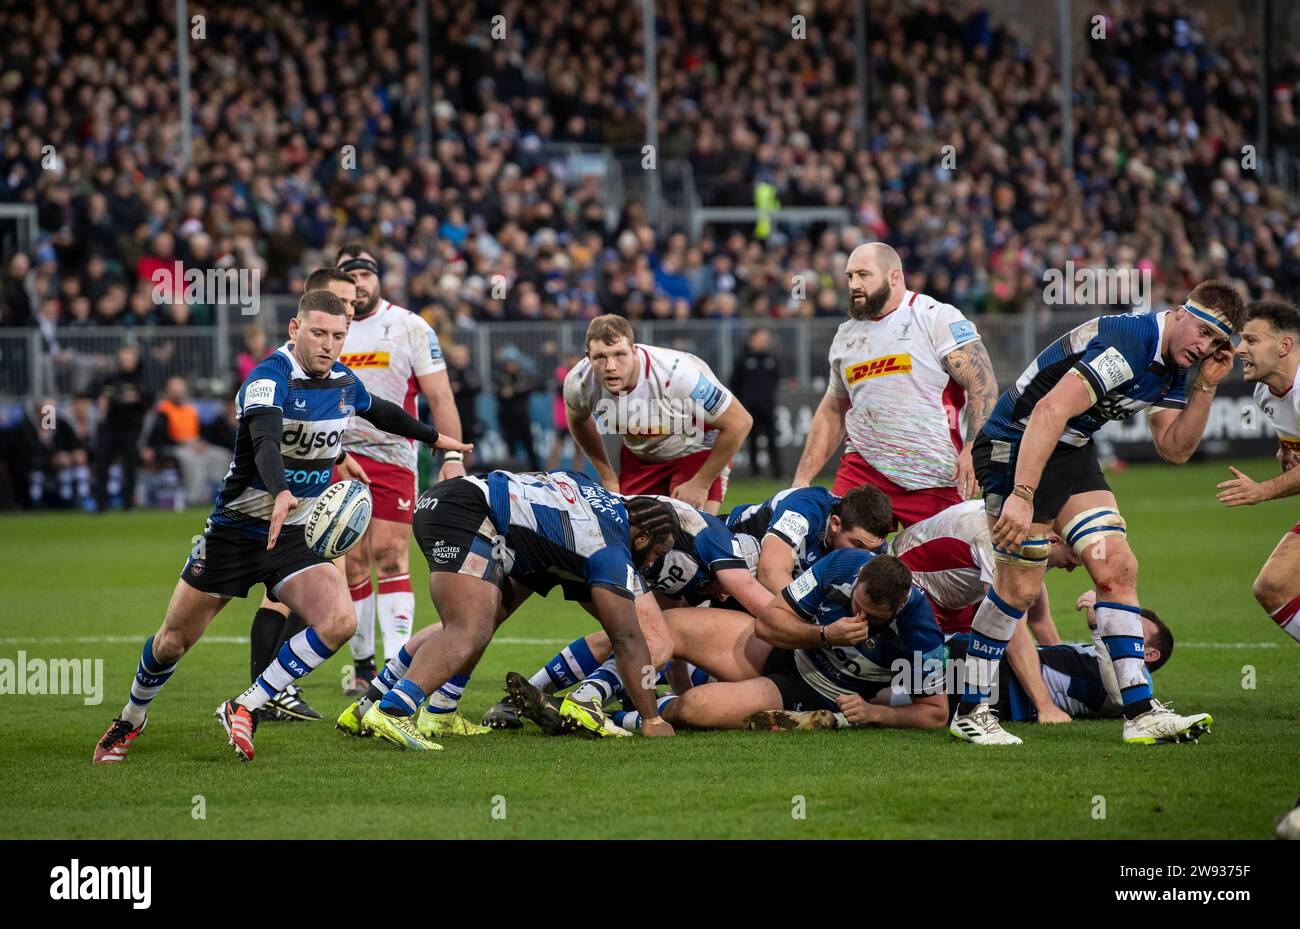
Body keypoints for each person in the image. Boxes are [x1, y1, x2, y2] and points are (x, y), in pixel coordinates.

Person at [91, 289, 472, 764]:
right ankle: (131, 717)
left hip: (294, 534)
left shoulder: (341, 381)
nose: (328, 344)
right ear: (295, 330)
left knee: (339, 622)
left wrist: (436, 439)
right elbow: (266, 440)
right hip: (236, 530)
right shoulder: (268, 379)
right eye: (318, 333)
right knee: (173, 641)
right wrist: (281, 490)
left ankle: (245, 705)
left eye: (337, 335)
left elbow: (382, 411)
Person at [950, 280, 1244, 745]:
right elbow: (1048, 411)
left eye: (1217, 343)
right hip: (1017, 442)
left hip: (1071, 448)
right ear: (1182, 312)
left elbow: (1174, 449)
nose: (1205, 346)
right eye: (1203, 332)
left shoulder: (1180, 364)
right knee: (1019, 587)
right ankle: (970, 711)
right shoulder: (1130, 343)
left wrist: (1205, 386)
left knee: (1118, 566)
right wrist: (1022, 494)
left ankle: (1140, 712)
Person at [335, 471, 679, 749]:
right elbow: (628, 639)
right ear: (642, 537)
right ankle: (396, 709)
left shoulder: (589, 491)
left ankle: (378, 707)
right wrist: (652, 719)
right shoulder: (610, 551)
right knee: (469, 628)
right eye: (657, 553)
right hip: (468, 513)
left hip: (454, 502)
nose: (652, 564)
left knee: (486, 616)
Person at [492, 494, 773, 731]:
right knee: (641, 640)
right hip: (587, 540)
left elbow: (672, 646)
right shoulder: (715, 544)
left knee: (635, 637)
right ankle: (585, 699)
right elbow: (748, 592)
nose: (723, 595)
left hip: (583, 542)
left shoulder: (690, 570)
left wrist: (682, 693)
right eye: (723, 586)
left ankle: (524, 697)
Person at [335, 244, 466, 700]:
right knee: (350, 558)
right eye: (349, 273)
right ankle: (361, 666)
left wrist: (451, 457)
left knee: (391, 553)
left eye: (366, 272)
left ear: (378, 279)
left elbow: (440, 396)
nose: (358, 281)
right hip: (336, 453)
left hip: (394, 455)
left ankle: (396, 666)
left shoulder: (409, 326)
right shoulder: (329, 329)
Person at [791, 243, 998, 528]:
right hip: (863, 470)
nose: (854, 284)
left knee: (939, 570)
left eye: (864, 274)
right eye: (850, 276)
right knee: (839, 560)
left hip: (935, 475)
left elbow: (982, 384)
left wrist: (974, 449)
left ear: (894, 277)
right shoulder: (845, 336)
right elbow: (833, 410)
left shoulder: (935, 317)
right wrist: (801, 480)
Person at [243, 268, 369, 723]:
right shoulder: (285, 366)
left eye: (352, 307)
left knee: (307, 590)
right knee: (300, 591)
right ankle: (267, 690)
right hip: (276, 492)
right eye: (341, 302)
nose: (347, 313)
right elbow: (280, 429)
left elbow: (320, 423)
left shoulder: (329, 361)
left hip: (310, 484)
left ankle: (270, 691)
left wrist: (340, 456)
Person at [655, 551, 949, 732]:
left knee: (692, 708)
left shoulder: (919, 631)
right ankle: (612, 685)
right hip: (784, 648)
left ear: (897, 609)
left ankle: (632, 713)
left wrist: (874, 713)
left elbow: (935, 713)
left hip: (816, 691)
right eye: (856, 604)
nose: (859, 616)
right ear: (859, 579)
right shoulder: (843, 564)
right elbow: (767, 624)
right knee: (666, 625)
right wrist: (825, 635)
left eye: (872, 617)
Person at [564, 314, 752, 515]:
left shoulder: (677, 373)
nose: (611, 366)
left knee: (689, 531)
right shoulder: (580, 382)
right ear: (587, 356)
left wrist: (701, 482)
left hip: (695, 447)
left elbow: (740, 422)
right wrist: (608, 476)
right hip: (641, 456)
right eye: (600, 357)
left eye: (620, 354)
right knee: (635, 536)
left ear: (634, 351)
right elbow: (578, 421)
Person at [1217, 300, 1300, 643]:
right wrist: (1287, 449)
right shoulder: (1264, 393)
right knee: (1273, 587)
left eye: (1251, 340)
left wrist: (1263, 490)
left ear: (1284, 346)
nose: (1239, 349)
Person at [726, 485, 894, 595]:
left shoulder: (874, 547)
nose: (862, 556)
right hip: (723, 553)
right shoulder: (806, 508)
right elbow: (769, 573)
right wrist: (814, 621)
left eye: (871, 550)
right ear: (836, 524)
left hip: (773, 585)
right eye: (857, 544)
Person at [143, 377, 231, 505]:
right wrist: (186, 443)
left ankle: (220, 493)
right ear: (167, 392)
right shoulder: (162, 410)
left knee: (221, 455)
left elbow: (201, 432)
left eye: (180, 389)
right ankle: (194, 498)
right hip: (174, 447)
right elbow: (160, 437)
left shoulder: (191, 409)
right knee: (191, 458)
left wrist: (202, 442)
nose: (178, 392)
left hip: (194, 444)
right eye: (174, 389)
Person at [93, 344, 151, 511]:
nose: (126, 361)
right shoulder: (110, 379)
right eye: (123, 358)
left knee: (130, 468)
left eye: (129, 358)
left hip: (131, 429)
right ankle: (100, 504)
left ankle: (128, 505)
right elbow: (100, 398)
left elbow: (148, 402)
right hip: (110, 428)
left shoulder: (142, 381)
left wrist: (135, 400)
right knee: (102, 466)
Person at [730, 327, 782, 478]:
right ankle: (755, 474)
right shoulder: (743, 360)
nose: (764, 341)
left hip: (768, 406)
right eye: (761, 338)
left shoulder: (771, 360)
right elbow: (734, 383)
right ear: (751, 339)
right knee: (752, 441)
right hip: (750, 408)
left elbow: (775, 380)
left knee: (772, 440)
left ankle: (778, 473)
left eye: (766, 338)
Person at [495, 351, 542, 470]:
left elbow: (534, 386)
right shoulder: (500, 377)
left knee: (530, 448)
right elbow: (500, 393)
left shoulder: (523, 376)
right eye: (510, 363)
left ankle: (536, 472)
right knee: (510, 449)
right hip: (507, 419)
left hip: (522, 418)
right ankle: (511, 472)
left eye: (514, 363)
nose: (512, 366)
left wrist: (514, 390)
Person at [445, 343, 483, 444]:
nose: (460, 361)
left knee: (469, 444)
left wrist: (460, 387)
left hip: (468, 415)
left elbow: (477, 386)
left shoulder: (471, 371)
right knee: (449, 444)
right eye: (457, 358)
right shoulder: (446, 372)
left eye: (463, 358)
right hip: (449, 414)